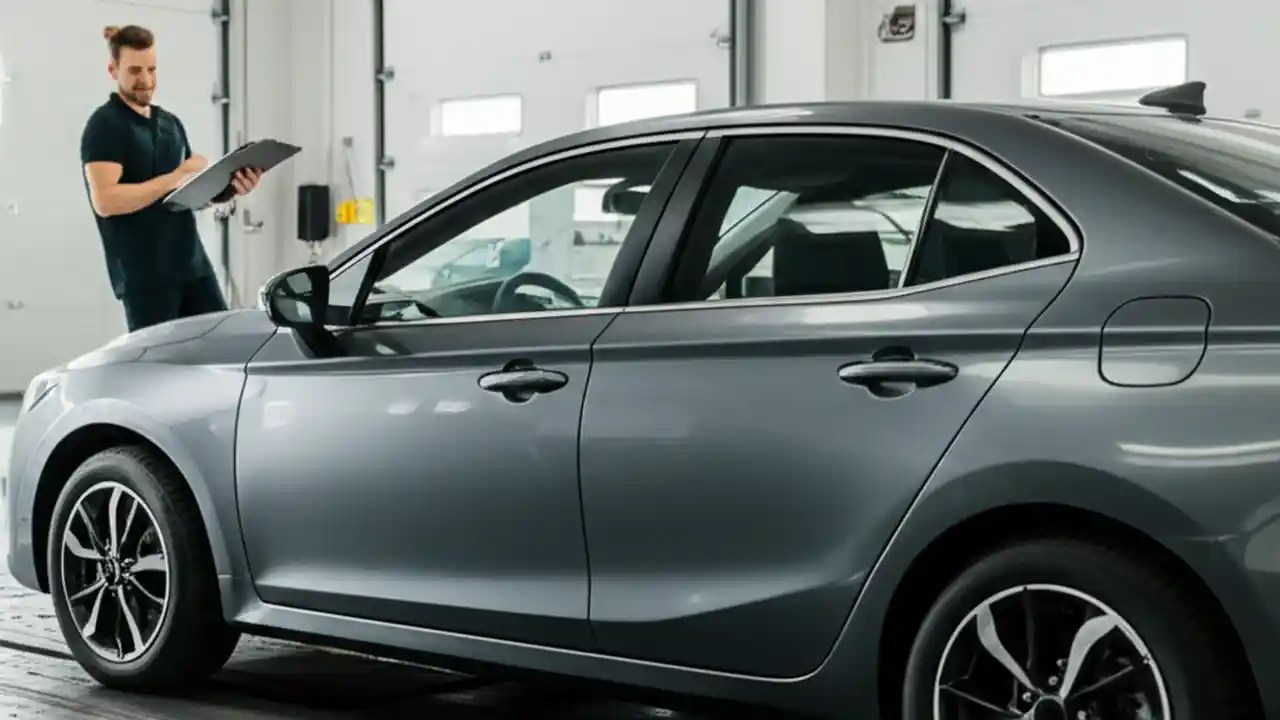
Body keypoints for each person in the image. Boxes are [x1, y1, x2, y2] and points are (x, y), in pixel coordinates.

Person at [81, 24, 262, 332]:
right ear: (113, 70)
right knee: (158, 373)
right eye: (135, 70)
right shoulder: (104, 125)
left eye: (152, 69)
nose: (146, 80)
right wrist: (176, 175)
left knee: (221, 353)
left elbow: (191, 192)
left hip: (193, 266)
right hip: (145, 278)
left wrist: (230, 188)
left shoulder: (170, 123)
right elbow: (106, 201)